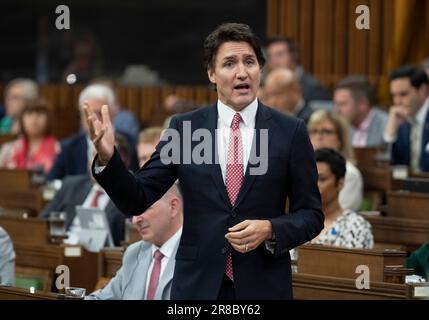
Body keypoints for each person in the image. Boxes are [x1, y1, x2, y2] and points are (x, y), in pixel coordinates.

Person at [85, 23, 323, 300]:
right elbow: (138, 197)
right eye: (230, 63)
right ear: (212, 73)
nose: (242, 72)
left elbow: (311, 215)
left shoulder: (290, 131)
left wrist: (272, 228)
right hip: (197, 287)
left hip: (263, 285)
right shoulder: (186, 129)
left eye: (250, 62)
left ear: (260, 69)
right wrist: (107, 157)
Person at [86, 183, 183, 300]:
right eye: (133, 211)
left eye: (143, 207)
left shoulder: (203, 257)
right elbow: (104, 297)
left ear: (173, 207)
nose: (135, 220)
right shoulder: (134, 252)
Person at [40, 134, 130, 246]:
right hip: (62, 251)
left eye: (104, 157)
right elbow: (43, 221)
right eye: (93, 155)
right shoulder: (71, 185)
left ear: (123, 162)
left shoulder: (130, 195)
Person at [47, 83, 118, 181]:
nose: (94, 119)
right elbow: (51, 181)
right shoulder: (68, 147)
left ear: (113, 113)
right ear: (81, 117)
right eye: (87, 114)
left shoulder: (129, 144)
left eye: (99, 113)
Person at [313, 148, 373, 248]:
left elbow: (358, 263)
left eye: (322, 179)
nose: (314, 185)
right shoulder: (297, 220)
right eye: (310, 178)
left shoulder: (356, 226)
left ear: (340, 183)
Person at [308, 110, 363, 212]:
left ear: (340, 139)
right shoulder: (303, 168)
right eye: (314, 131)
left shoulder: (349, 174)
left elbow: (339, 214)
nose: (319, 137)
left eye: (327, 132)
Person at [384, 65, 429, 173]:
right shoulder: (399, 119)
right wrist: (390, 134)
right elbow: (395, 166)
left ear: (422, 90)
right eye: (394, 95)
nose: (397, 101)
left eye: (403, 94)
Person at [0, 99, 59, 174]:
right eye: (29, 113)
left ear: (49, 119)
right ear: (21, 119)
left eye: (40, 113)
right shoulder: (8, 149)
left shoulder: (58, 149)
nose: (34, 119)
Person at [265, 37, 331, 102]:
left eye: (280, 55)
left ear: (294, 56)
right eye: (270, 56)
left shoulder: (314, 87)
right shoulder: (266, 87)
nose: (274, 61)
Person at [334, 75, 388, 148]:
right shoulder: (341, 126)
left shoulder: (386, 126)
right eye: (336, 104)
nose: (337, 110)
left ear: (362, 103)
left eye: (342, 104)